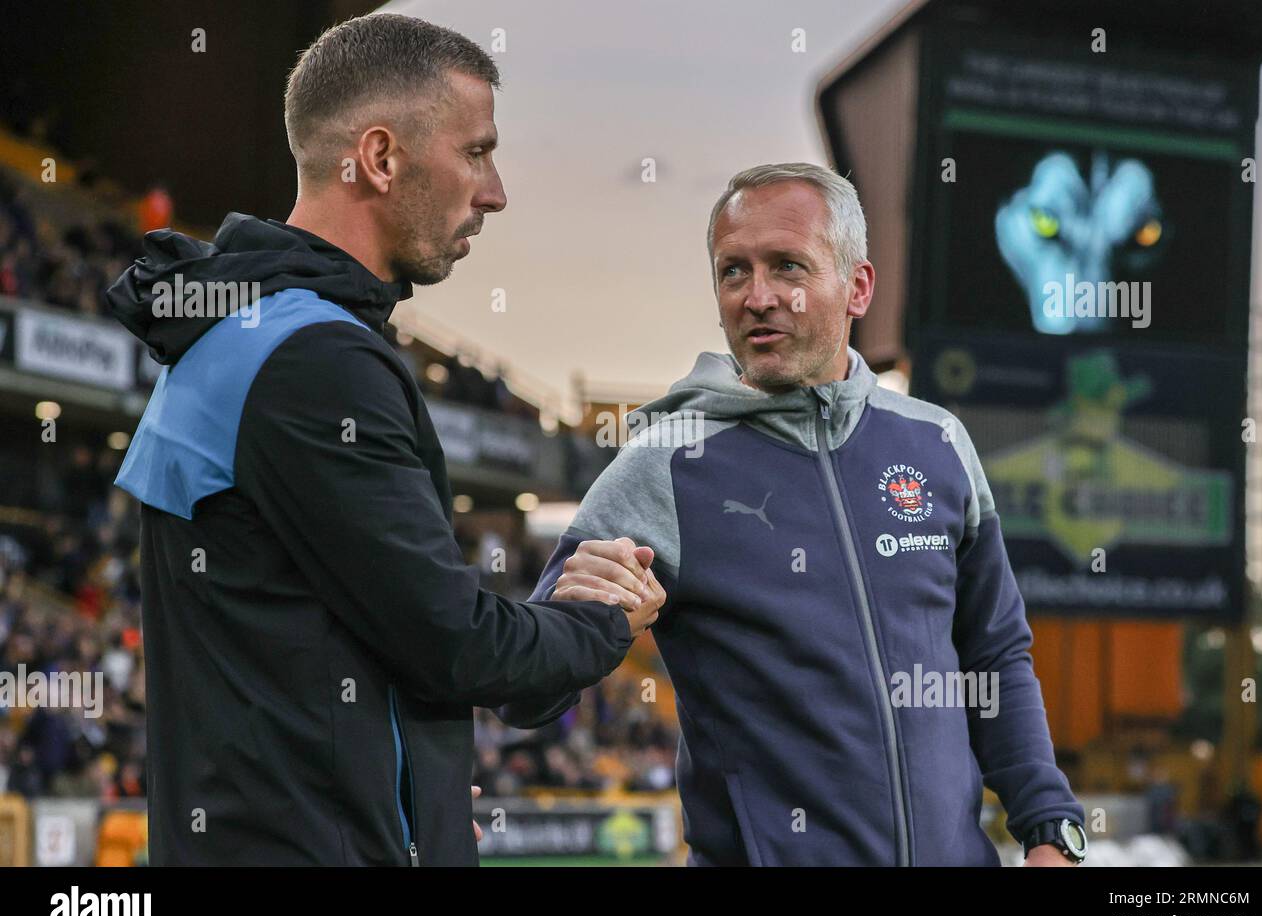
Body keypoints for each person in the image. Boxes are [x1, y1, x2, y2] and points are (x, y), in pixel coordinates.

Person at [107, 13, 662, 866]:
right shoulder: (317, 358)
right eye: (476, 152)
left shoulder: (240, 328)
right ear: (378, 157)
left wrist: (418, 806)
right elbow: (453, 645)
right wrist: (600, 621)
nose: (496, 190)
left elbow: (319, 641)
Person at [499, 163, 1086, 866]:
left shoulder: (937, 443)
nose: (757, 296)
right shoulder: (665, 464)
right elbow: (521, 692)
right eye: (733, 272)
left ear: (857, 287)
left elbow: (995, 654)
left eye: (787, 266)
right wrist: (587, 620)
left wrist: (1051, 829)